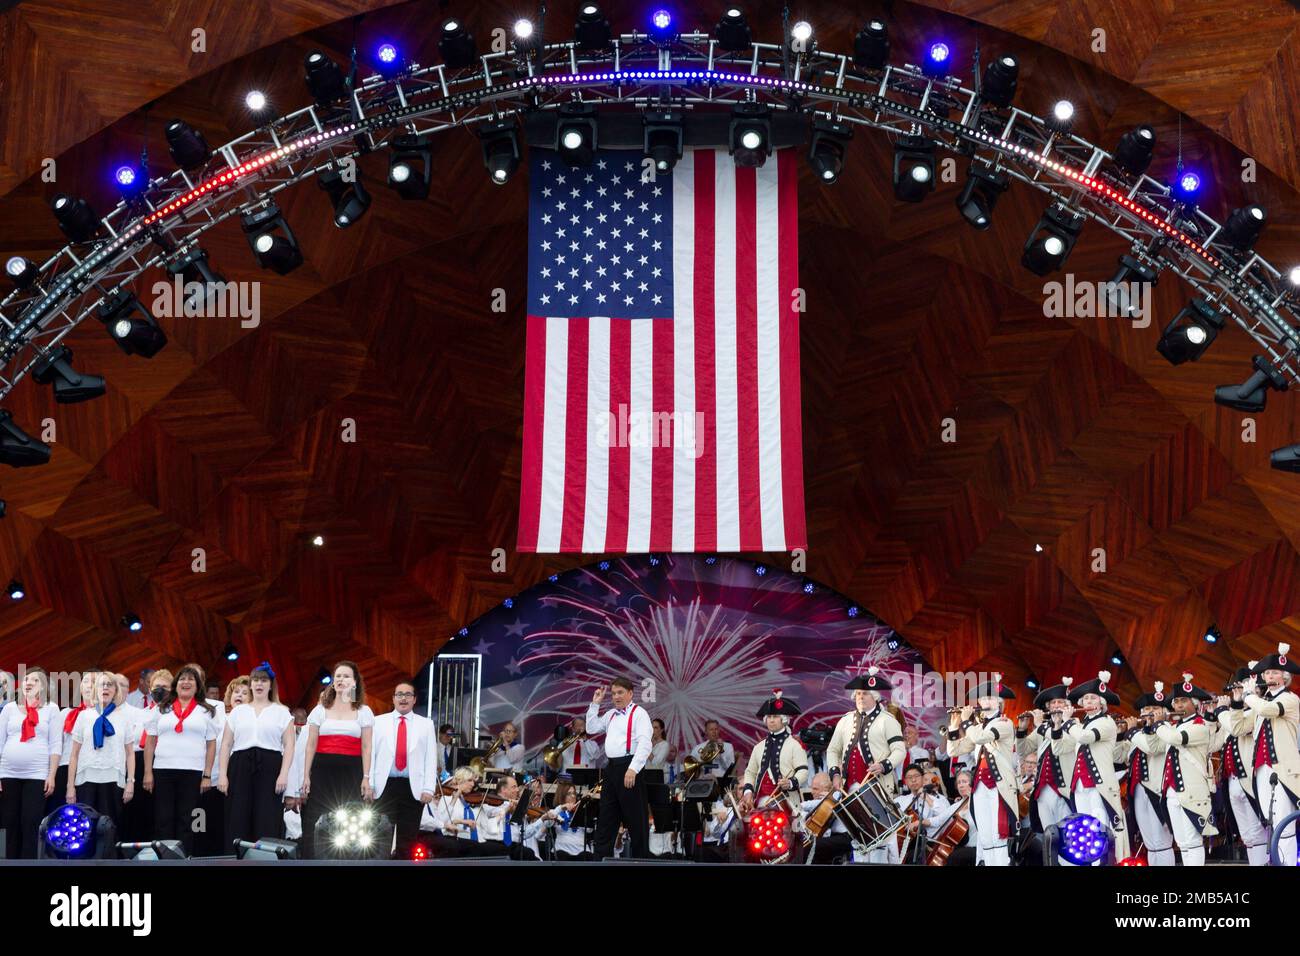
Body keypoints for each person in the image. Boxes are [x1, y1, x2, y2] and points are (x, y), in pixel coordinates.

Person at [300, 661, 375, 859]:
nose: (341, 679)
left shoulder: (364, 712)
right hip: (321, 773)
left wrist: (366, 777)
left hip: (351, 774)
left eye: (346, 676)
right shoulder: (319, 710)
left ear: (355, 682)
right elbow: (310, 745)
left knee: (348, 822)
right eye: (338, 676)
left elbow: (367, 747)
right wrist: (306, 775)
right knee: (315, 819)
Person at [143, 663, 219, 855]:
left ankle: (184, 858)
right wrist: (147, 773)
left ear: (198, 685)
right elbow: (150, 742)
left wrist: (207, 775)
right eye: (182, 679)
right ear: (176, 684)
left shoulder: (206, 711)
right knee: (163, 819)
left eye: (191, 679)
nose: (186, 682)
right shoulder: (161, 709)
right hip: (163, 770)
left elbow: (211, 745)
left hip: (192, 772)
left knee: (188, 820)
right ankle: (163, 859)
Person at [217, 662, 294, 848]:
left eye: (264, 680)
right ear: (251, 684)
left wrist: (284, 774)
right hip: (240, 765)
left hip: (271, 767)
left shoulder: (282, 712)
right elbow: (226, 744)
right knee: (238, 815)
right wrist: (222, 775)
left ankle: (265, 859)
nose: (259, 684)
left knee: (266, 816)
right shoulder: (238, 712)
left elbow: (289, 745)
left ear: (270, 685)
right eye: (256, 680)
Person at [945, 675, 1018, 866]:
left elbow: (981, 738)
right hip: (979, 786)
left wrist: (967, 721)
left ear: (999, 702)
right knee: (985, 835)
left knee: (997, 834)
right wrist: (954, 727)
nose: (987, 701)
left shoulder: (1004, 723)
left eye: (991, 698)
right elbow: (954, 750)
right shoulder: (977, 727)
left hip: (998, 784)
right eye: (984, 698)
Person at [1243, 642, 1300, 866]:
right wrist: (1238, 702)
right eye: (1266, 672)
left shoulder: (1290, 699)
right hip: (1262, 770)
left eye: (1274, 672)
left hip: (1283, 770)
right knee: (1272, 822)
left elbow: (1269, 710)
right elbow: (1239, 727)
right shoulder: (1261, 701)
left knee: (1284, 824)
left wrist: (1249, 695)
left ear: (1285, 676)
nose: (1269, 676)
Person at [585, 676, 653, 859]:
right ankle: (600, 860)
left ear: (630, 693)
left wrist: (633, 768)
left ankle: (641, 861)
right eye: (614, 693)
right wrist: (595, 704)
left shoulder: (640, 713)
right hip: (612, 768)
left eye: (620, 692)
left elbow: (645, 744)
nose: (616, 696)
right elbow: (591, 728)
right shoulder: (611, 714)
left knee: (636, 820)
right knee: (607, 817)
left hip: (630, 767)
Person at [1065, 670, 1130, 862]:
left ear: (1101, 703)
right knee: (1085, 832)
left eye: (1093, 698)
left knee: (1100, 827)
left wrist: (1068, 722)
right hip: (1080, 784)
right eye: (1085, 699)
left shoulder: (1106, 722)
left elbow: (1086, 738)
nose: (1088, 702)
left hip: (1099, 785)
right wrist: (1057, 725)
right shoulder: (1080, 725)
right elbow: (1062, 747)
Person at [1154, 674, 1219, 866]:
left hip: (1192, 791)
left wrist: (1159, 723)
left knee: (1193, 841)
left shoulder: (1200, 726)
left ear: (1195, 703)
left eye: (1184, 700)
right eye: (1176, 702)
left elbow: (1176, 738)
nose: (1179, 706)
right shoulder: (1173, 726)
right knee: (1182, 843)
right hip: (1172, 792)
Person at [370, 682, 438, 858]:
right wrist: (369, 783)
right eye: (399, 694)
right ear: (393, 698)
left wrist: (429, 788)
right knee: (379, 839)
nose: (403, 698)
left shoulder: (426, 724)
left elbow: (430, 759)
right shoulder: (378, 722)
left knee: (407, 841)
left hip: (413, 788)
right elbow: (370, 755)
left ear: (414, 699)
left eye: (408, 695)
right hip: (383, 786)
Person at [0, 668, 61, 858]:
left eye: (35, 680)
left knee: (31, 822)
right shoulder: (10, 708)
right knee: (9, 822)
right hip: (8, 774)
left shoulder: (51, 709)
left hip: (37, 775)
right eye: (26, 679)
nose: (29, 682)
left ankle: (28, 863)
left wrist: (51, 775)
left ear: (43, 686)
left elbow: (55, 744)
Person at [1215, 663, 1269, 865]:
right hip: (1233, 781)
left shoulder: (1259, 709)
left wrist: (1222, 711)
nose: (1240, 692)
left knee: (1258, 830)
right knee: (1246, 834)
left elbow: (1238, 728)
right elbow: (1215, 743)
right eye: (1239, 687)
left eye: (1246, 686)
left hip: (1251, 779)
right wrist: (1213, 718)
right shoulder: (1234, 713)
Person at [826, 669, 906, 798]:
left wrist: (883, 765)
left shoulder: (887, 720)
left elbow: (900, 750)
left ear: (875, 697)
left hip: (879, 787)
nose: (861, 697)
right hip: (848, 788)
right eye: (858, 693)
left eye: (865, 693)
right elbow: (833, 750)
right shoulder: (845, 720)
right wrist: (835, 774)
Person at [65, 672, 134, 822]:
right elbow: (74, 754)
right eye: (101, 684)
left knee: (109, 825)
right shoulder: (84, 716)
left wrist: (130, 782)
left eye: (109, 685)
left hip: (113, 778)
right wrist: (70, 786)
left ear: (115, 690)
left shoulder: (124, 717)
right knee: (85, 825)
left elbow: (130, 753)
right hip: (86, 778)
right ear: (95, 689)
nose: (105, 688)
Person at [1016, 677, 1078, 839]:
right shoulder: (1043, 727)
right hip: (1042, 790)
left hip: (1065, 790)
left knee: (1069, 837)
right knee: (1049, 837)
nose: (1057, 705)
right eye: (1053, 703)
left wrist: (1039, 726)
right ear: (1047, 707)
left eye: (1060, 702)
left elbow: (1062, 746)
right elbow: (1023, 750)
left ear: (1068, 706)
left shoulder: (1075, 725)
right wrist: (1022, 729)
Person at [1121, 682, 1175, 866]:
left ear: (1163, 710)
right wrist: (1121, 735)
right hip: (1138, 790)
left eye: (1154, 708)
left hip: (1157, 790)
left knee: (1162, 841)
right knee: (1150, 842)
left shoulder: (1166, 728)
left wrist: (1132, 731)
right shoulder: (1137, 733)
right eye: (1146, 709)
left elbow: (1152, 748)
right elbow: (1119, 755)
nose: (1149, 712)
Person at [120, 668, 170, 842]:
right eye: (156, 686)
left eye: (164, 686)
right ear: (149, 688)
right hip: (139, 761)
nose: (159, 690)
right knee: (138, 808)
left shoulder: (171, 713)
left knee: (158, 809)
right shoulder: (141, 712)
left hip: (161, 761)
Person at [738, 690, 809, 814]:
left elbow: (803, 771)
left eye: (775, 717)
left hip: (787, 803)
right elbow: (750, 772)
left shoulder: (795, 745)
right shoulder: (758, 747)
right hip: (759, 803)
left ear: (784, 719)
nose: (771, 720)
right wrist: (748, 792)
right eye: (769, 717)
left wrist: (791, 782)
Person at [53, 669, 99, 814]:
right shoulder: (65, 713)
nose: (89, 686)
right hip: (65, 768)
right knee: (63, 813)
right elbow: (56, 743)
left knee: (88, 812)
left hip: (90, 769)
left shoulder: (104, 715)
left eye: (94, 682)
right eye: (85, 682)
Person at [895, 762, 953, 863]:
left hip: (928, 844)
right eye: (909, 777)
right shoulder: (900, 800)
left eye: (916, 776)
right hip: (904, 844)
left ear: (922, 778)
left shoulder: (937, 799)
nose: (913, 780)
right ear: (905, 781)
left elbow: (946, 817)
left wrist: (926, 798)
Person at [479, 773, 545, 860]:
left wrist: (542, 819)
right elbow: (493, 812)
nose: (517, 790)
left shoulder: (517, 806)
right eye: (514, 787)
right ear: (503, 789)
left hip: (514, 846)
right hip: (496, 843)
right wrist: (508, 809)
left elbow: (525, 833)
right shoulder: (490, 802)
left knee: (530, 854)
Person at [801, 772, 852, 864]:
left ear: (826, 789)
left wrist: (798, 807)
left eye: (815, 789)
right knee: (807, 844)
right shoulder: (826, 799)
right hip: (832, 836)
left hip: (843, 838)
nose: (812, 792)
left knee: (810, 846)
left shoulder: (835, 796)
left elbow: (811, 804)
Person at [539, 780, 591, 860]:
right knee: (561, 855)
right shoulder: (557, 811)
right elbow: (545, 827)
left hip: (582, 850)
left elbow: (589, 830)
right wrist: (559, 810)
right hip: (562, 850)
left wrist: (584, 813)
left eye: (574, 793)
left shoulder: (581, 811)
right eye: (569, 794)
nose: (573, 796)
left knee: (587, 856)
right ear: (562, 796)